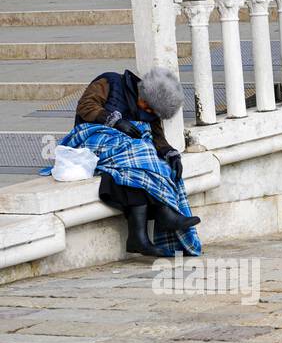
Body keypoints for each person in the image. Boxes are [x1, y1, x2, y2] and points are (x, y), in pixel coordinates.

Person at [71, 68, 200, 256]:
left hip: (127, 155)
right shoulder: (110, 82)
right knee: (142, 152)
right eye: (146, 106)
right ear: (143, 92)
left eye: (152, 111)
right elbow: (86, 106)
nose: (147, 112)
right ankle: (164, 213)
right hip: (91, 139)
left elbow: (157, 138)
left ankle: (139, 237)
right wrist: (114, 121)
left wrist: (170, 153)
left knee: (152, 164)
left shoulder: (150, 111)